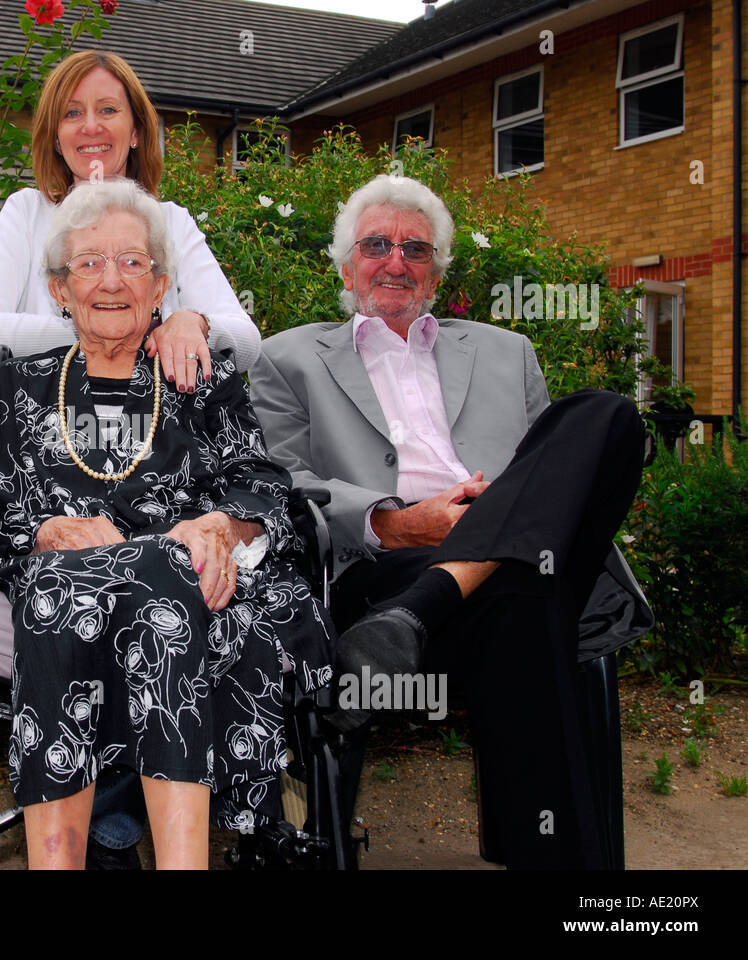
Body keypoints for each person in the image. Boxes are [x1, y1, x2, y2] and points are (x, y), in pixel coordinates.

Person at [249, 174, 649, 870]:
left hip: (511, 555)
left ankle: (431, 602)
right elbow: (277, 481)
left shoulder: (507, 352)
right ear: (346, 264)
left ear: (437, 273)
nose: (396, 261)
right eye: (377, 245)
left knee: (608, 414)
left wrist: (487, 517)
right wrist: (393, 521)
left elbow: (547, 477)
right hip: (385, 567)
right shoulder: (287, 358)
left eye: (416, 248)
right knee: (524, 603)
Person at [0, 179, 334, 870]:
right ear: (58, 288)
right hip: (59, 593)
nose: (110, 280)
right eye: (89, 263)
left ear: (162, 286)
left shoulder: (200, 379)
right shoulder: (12, 389)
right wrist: (41, 534)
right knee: (79, 576)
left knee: (156, 567)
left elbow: (265, 488)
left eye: (132, 262)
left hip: (200, 595)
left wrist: (223, 524)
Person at [0, 49, 260, 391]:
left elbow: (247, 343)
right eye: (72, 113)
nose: (90, 126)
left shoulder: (171, 221)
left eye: (108, 109)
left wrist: (196, 324)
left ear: (136, 132)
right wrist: (112, 330)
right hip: (45, 428)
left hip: (161, 432)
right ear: (56, 138)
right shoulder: (27, 213)